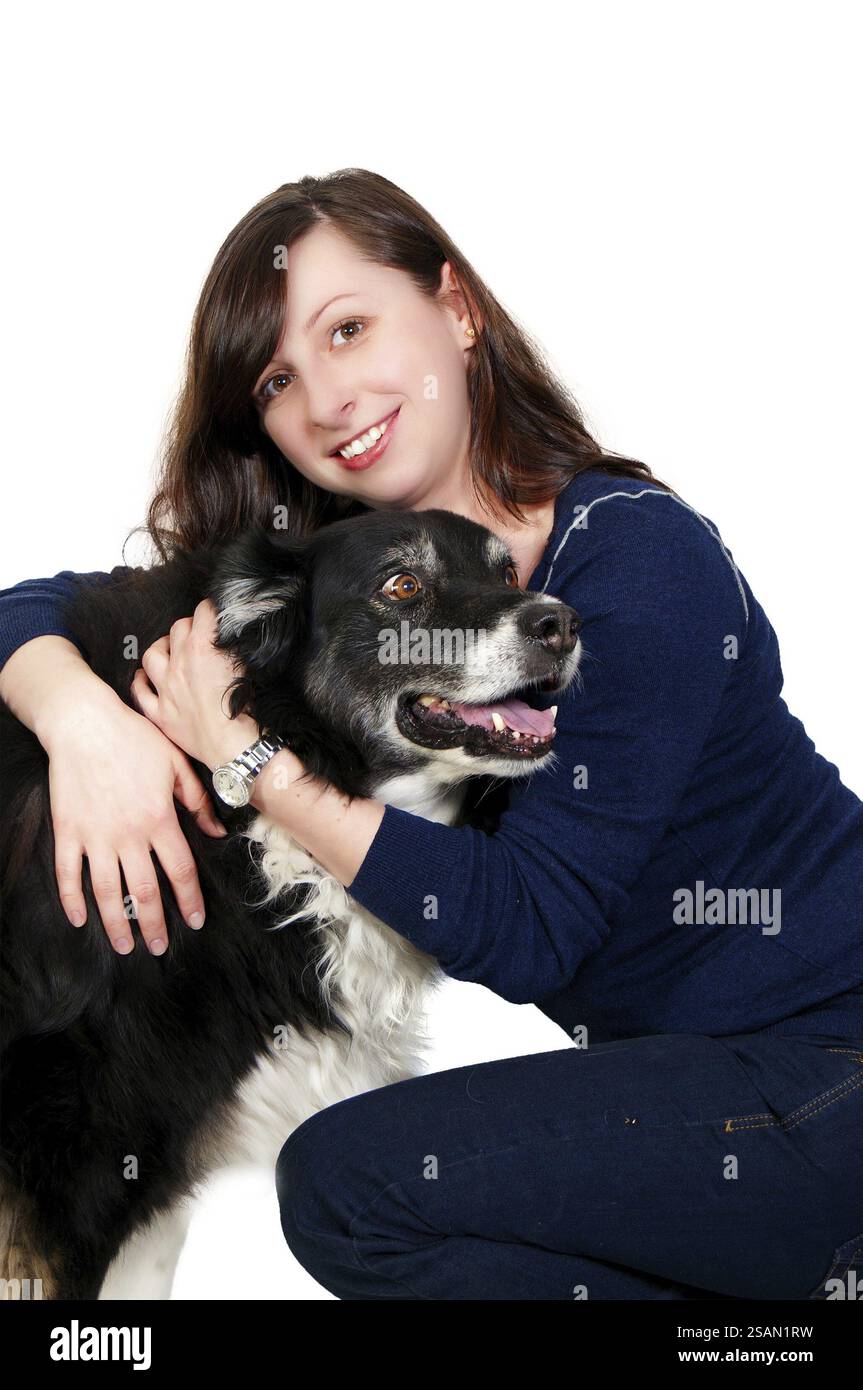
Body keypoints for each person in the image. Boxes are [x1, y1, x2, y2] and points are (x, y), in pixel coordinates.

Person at [1, 168, 862, 1301]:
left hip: (826, 1065)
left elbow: (528, 922)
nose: (327, 399)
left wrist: (252, 766)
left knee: (357, 1184)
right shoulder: (353, 573)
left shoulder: (630, 563)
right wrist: (84, 727)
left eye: (348, 329)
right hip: (705, 1083)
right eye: (276, 378)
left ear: (455, 310)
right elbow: (41, 608)